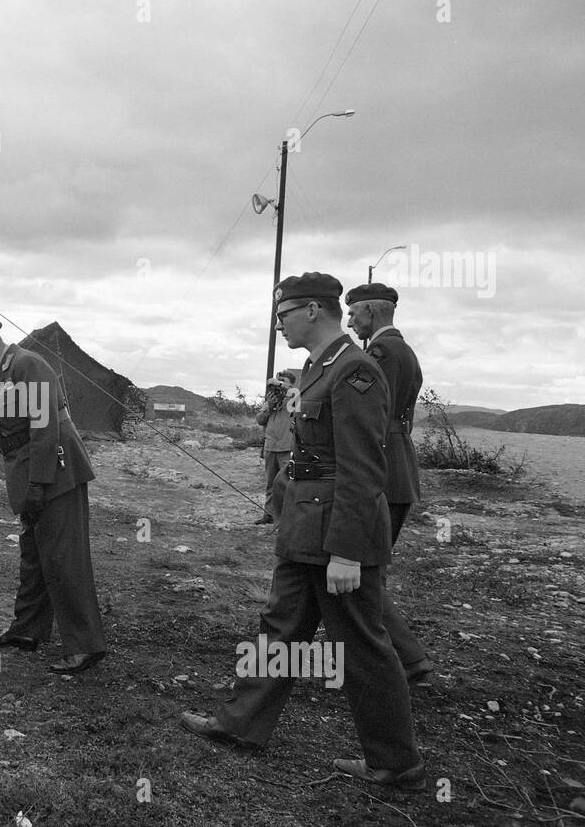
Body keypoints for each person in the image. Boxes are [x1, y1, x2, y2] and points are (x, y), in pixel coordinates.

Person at [180, 272, 424, 789]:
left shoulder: (354, 369)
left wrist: (347, 553)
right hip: (305, 526)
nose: (279, 325)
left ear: (313, 310)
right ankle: (240, 722)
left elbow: (363, 468)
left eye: (284, 315)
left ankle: (396, 762)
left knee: (359, 645)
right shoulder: (317, 367)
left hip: (337, 535)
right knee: (281, 625)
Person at [0, 322, 108, 675]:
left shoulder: (28, 364)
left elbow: (44, 426)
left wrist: (39, 483)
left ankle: (85, 645)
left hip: (55, 474)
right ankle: (27, 630)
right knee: (35, 554)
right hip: (34, 473)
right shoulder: (7, 371)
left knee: (64, 558)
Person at [346, 282, 432, 684]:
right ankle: (383, 658)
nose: (350, 321)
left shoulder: (380, 353)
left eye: (353, 313)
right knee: (366, 571)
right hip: (397, 466)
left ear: (371, 311)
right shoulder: (405, 351)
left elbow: (371, 416)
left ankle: (407, 660)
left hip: (381, 470)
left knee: (363, 572)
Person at [253, 370, 296, 525]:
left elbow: (296, 395)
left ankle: (286, 516)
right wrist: (269, 407)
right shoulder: (272, 400)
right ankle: (269, 514)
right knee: (270, 484)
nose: (279, 385)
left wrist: (280, 385)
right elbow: (259, 420)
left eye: (283, 381)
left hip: (286, 447)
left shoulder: (293, 400)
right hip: (271, 447)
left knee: (287, 483)